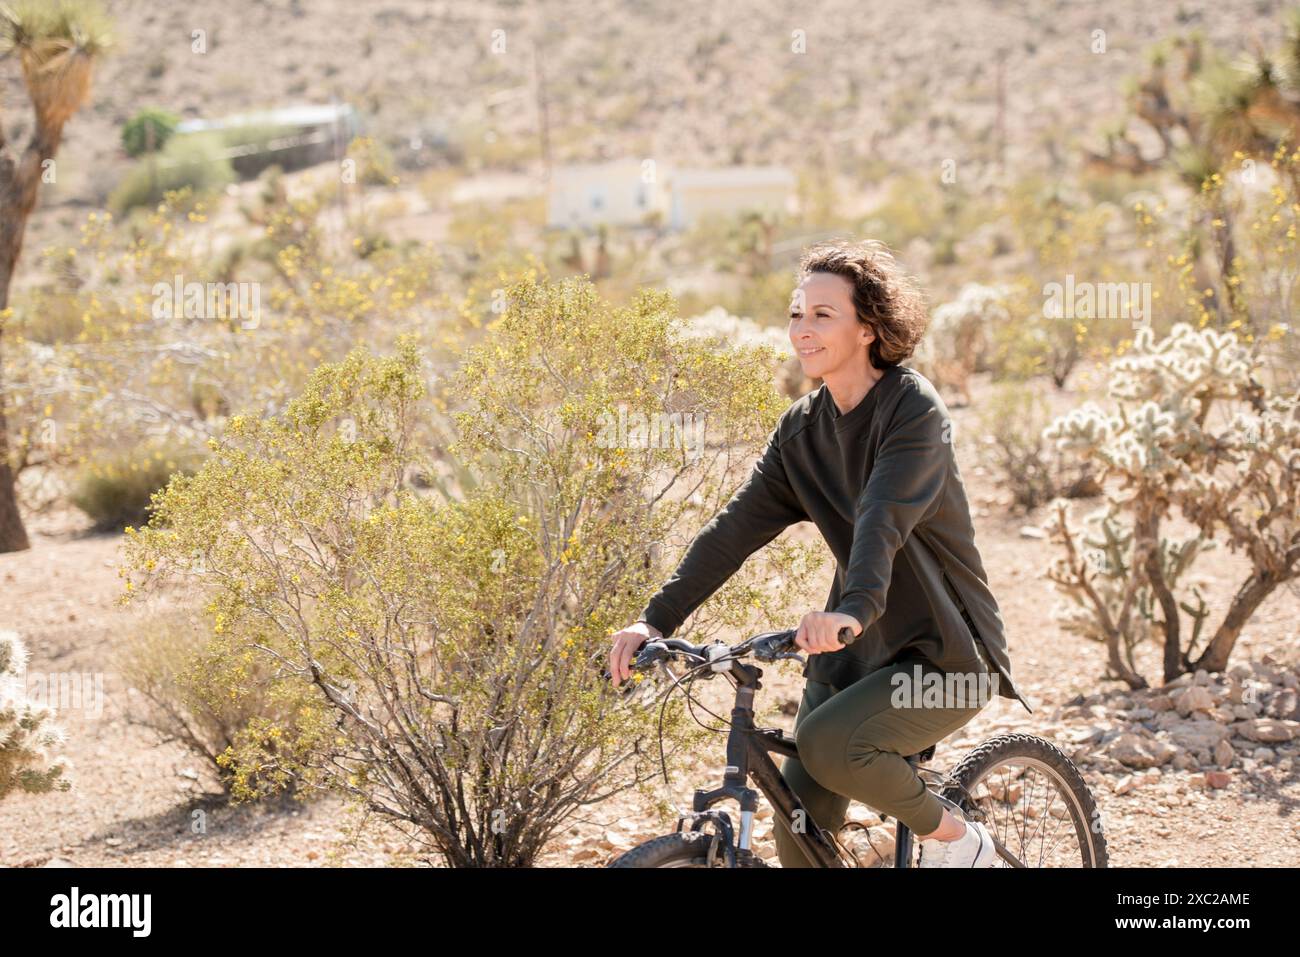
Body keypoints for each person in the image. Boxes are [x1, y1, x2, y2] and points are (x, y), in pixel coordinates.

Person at [608, 238, 1032, 868]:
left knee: (831, 747)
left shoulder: (912, 411)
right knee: (797, 820)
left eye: (823, 315)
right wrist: (657, 618)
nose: (802, 329)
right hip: (851, 658)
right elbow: (735, 529)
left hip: (947, 658)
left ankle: (963, 845)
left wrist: (852, 610)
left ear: (869, 327)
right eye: (795, 313)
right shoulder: (802, 429)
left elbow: (881, 519)